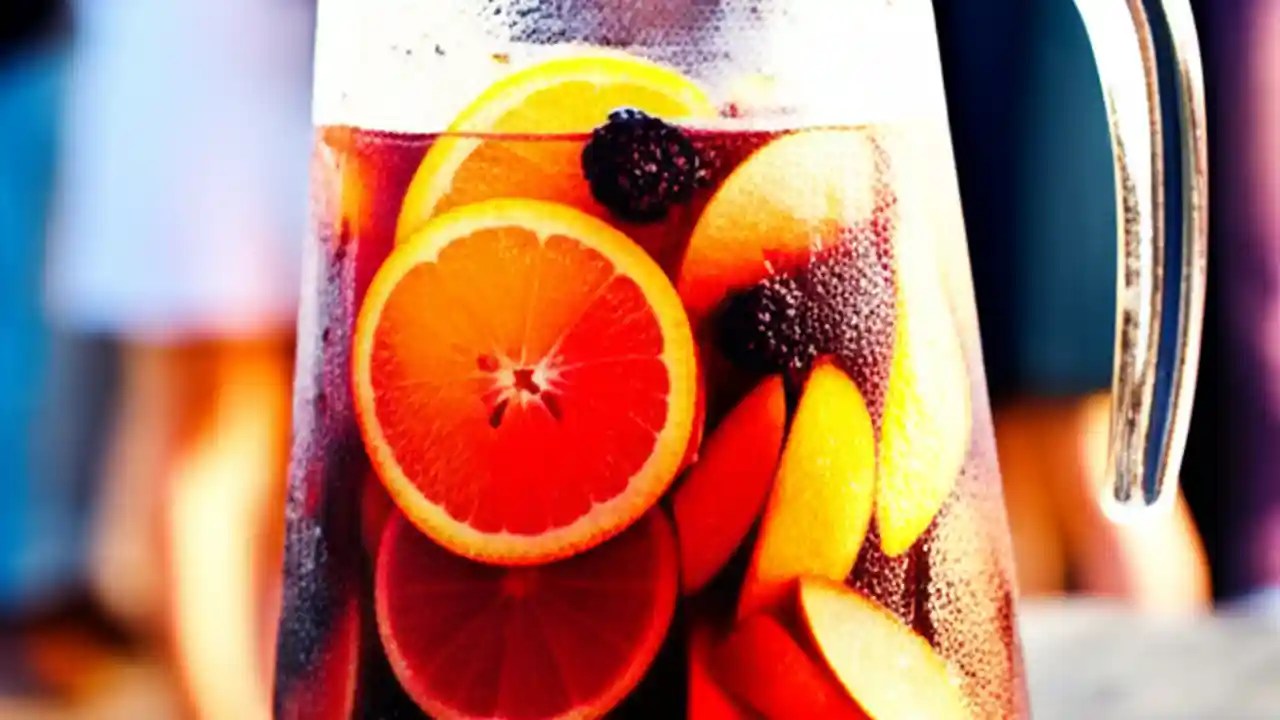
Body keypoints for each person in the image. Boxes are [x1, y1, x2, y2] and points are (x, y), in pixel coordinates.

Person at [44, 0, 314, 714]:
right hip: (206, 115)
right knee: (214, 434)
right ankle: (226, 702)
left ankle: (239, 688)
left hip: (228, 101)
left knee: (249, 433)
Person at [933, 0, 1210, 612]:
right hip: (976, 53)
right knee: (1001, 458)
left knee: (1082, 434)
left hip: (1042, 49)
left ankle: (1162, 697)